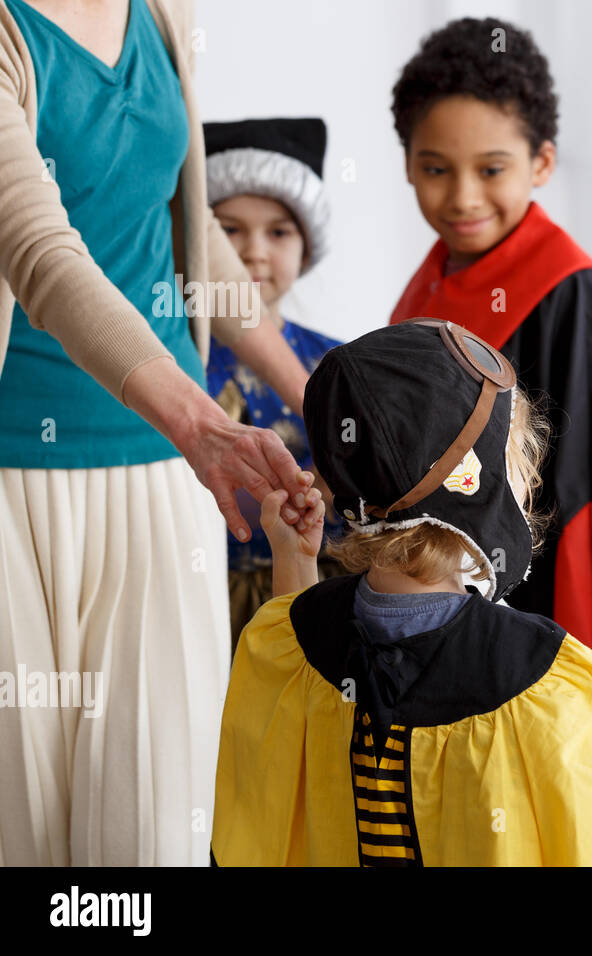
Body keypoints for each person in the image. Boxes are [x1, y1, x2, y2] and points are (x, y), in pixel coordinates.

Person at [0, 0, 314, 867]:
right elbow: (38, 251)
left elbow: (187, 225)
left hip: (166, 467)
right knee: (23, 820)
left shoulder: (161, 16)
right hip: (15, 468)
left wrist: (313, 389)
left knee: (156, 817)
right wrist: (204, 423)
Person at [212, 321, 592, 866]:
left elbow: (294, 698)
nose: (529, 476)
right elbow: (591, 815)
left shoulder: (295, 640)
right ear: (475, 485)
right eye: (513, 458)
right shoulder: (535, 674)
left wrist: (295, 558)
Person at [387, 16, 592, 661]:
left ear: (542, 162)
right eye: (436, 168)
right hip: (441, 600)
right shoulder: (421, 297)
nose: (464, 197)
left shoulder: (571, 294)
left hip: (535, 612)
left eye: (492, 169)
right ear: (408, 164)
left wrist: (587, 659)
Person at [202, 116, 350, 654]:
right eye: (228, 230)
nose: (253, 250)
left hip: (318, 585)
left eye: (278, 231)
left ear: (307, 247)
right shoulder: (170, 362)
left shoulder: (336, 361)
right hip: (201, 587)